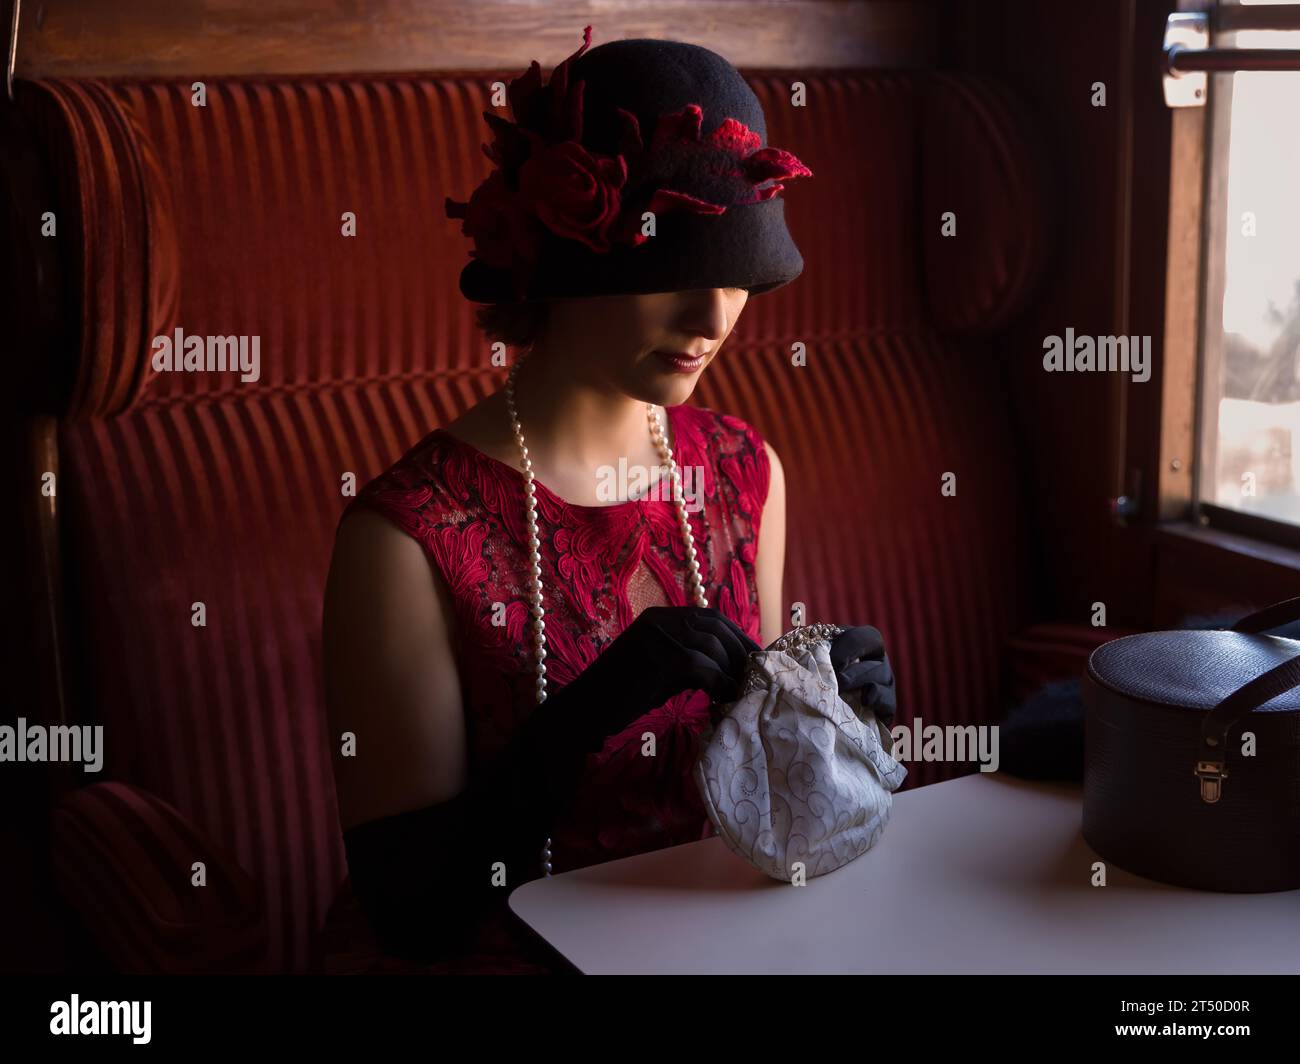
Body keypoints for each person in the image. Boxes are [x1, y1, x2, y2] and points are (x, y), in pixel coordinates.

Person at [320, 26, 880, 973]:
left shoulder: (747, 474)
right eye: (672, 275)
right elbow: (410, 915)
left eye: (739, 276)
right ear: (564, 261)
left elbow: (770, 799)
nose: (714, 320)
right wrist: (574, 730)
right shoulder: (408, 541)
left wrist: (840, 720)